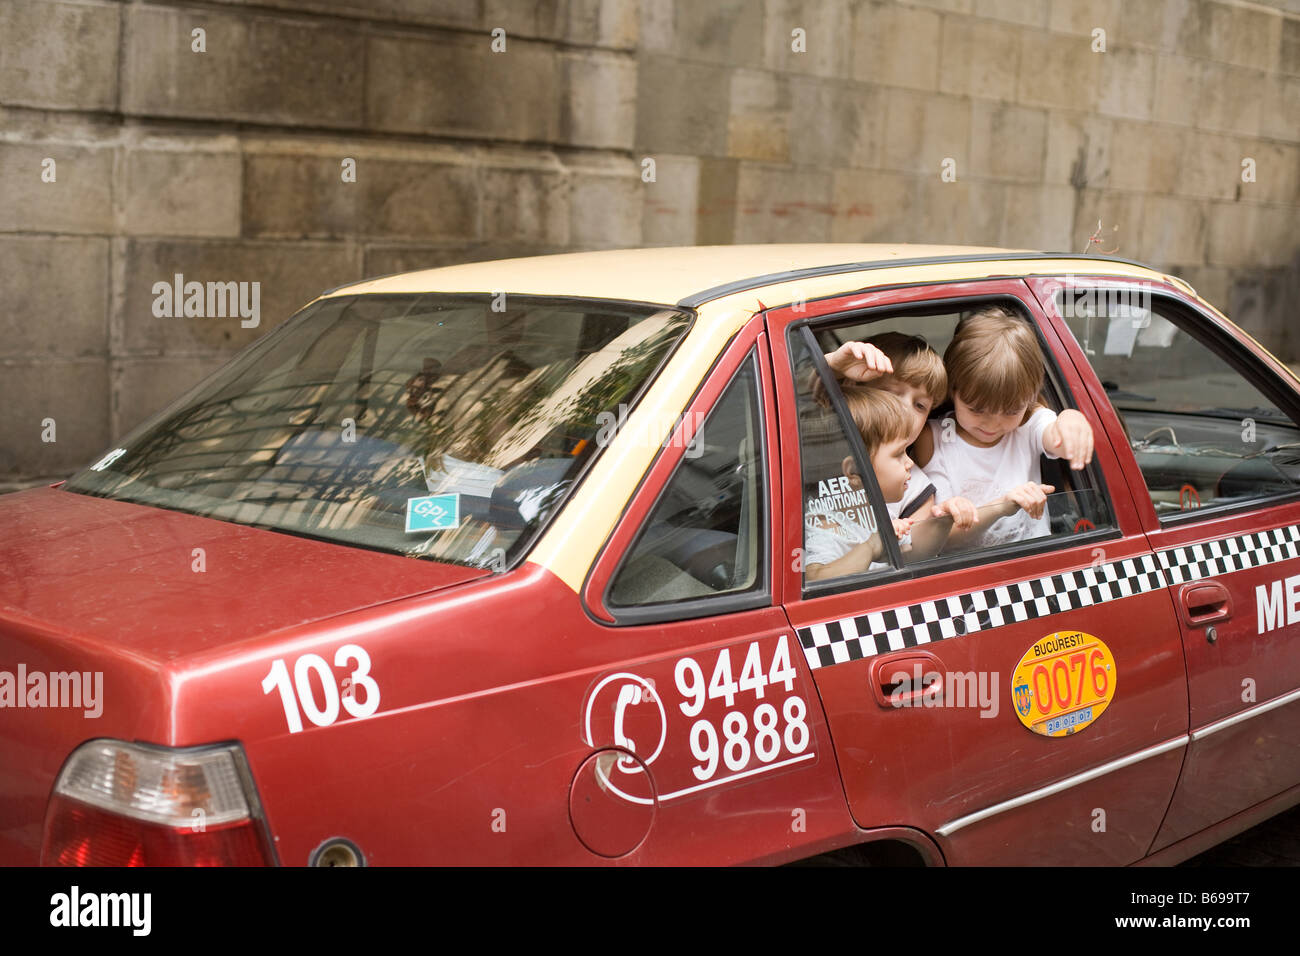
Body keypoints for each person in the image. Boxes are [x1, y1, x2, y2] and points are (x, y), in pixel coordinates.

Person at [911, 306, 1095, 550]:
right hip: (966, 574)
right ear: (953, 389)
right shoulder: (934, 438)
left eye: (1010, 411)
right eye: (976, 409)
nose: (993, 424)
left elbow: (1058, 438)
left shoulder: (1029, 424)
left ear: (1029, 399)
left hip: (1035, 565)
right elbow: (942, 539)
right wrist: (1001, 507)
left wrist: (1071, 418)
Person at [821, 331, 977, 558]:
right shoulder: (819, 440)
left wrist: (940, 522)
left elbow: (916, 556)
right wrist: (832, 367)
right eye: (891, 395)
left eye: (920, 405)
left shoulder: (915, 489)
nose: (904, 410)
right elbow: (784, 397)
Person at [804, 386, 915, 581]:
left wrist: (943, 518)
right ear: (854, 471)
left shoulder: (872, 508)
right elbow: (816, 578)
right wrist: (871, 547)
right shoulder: (826, 524)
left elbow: (913, 551)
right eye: (899, 454)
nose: (910, 463)